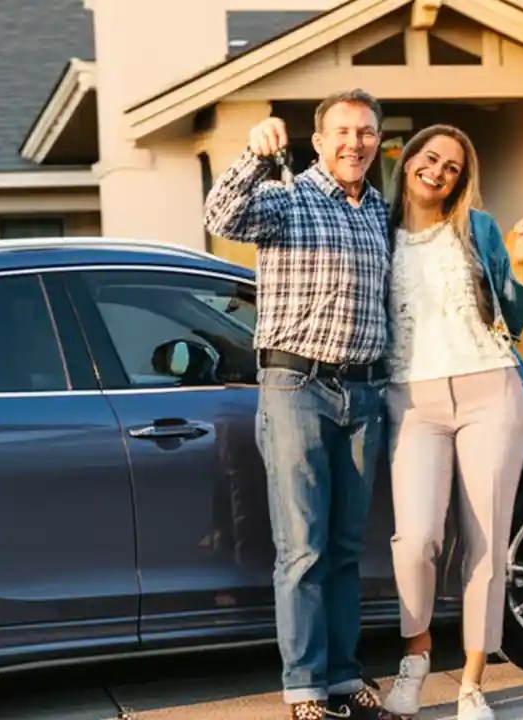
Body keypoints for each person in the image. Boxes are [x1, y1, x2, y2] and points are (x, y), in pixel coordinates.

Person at [203, 89, 395, 720]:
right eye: (342, 131)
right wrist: (254, 154)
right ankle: (306, 690)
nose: (354, 143)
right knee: (304, 548)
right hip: (297, 389)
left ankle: (343, 678)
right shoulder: (287, 200)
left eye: (365, 132)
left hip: (364, 392)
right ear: (319, 141)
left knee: (346, 549)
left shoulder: (377, 214)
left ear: (377, 140)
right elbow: (222, 215)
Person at [377, 124, 523, 720]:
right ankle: (415, 660)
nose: (438, 170)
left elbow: (512, 319)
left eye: (452, 166)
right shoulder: (379, 229)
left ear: (460, 179)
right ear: (409, 159)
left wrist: (517, 269)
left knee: (485, 540)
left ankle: (472, 681)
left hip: (489, 388)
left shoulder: (479, 228)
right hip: (411, 398)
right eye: (430, 157)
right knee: (416, 538)